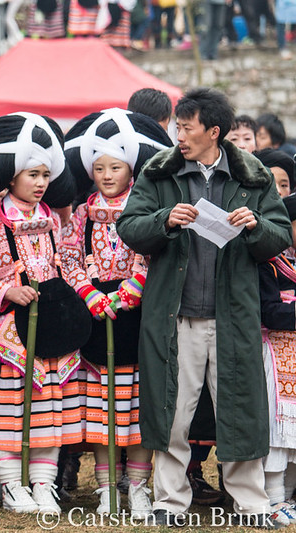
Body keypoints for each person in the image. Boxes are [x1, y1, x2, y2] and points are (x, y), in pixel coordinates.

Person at [116, 87, 293, 527]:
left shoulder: (252, 176)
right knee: (170, 411)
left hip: (233, 316)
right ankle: (169, 503)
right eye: (177, 126)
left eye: (187, 127)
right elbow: (129, 227)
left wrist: (255, 225)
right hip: (175, 317)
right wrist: (163, 220)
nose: (179, 134)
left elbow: (280, 234)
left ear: (213, 132)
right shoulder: (158, 174)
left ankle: (251, 504)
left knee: (239, 410)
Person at [0, 112, 81, 515]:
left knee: (49, 410)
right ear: (10, 178)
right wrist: (8, 291)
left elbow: (62, 264)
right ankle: (10, 484)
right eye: (31, 174)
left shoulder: (52, 223)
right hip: (10, 331)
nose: (40, 183)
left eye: (45, 175)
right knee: (9, 407)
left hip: (52, 324)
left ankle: (42, 482)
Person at [61, 108, 172, 518]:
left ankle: (139, 485)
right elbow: (69, 258)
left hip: (134, 313)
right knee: (102, 409)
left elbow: (153, 252)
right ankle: (108, 485)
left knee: (137, 407)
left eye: (116, 168)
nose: (107, 175)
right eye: (100, 168)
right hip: (96, 313)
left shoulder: (143, 208)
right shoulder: (81, 215)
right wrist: (88, 292)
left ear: (131, 170)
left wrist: (133, 288)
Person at [259, 194, 296, 526]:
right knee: (278, 428)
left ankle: (290, 495)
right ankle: (274, 498)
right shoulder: (269, 263)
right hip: (275, 355)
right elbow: (269, 311)